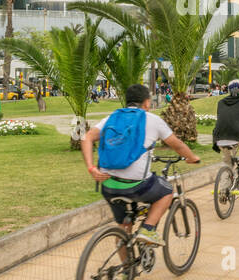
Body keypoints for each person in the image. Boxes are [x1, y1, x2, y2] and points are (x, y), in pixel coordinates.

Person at [81, 84, 200, 247]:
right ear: (146, 103)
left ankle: (125, 271)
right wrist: (192, 157)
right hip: (137, 185)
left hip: (108, 184)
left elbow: (87, 137)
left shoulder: (112, 118)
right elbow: (177, 144)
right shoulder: (152, 119)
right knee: (167, 191)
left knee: (124, 228)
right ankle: (148, 229)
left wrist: (91, 168)